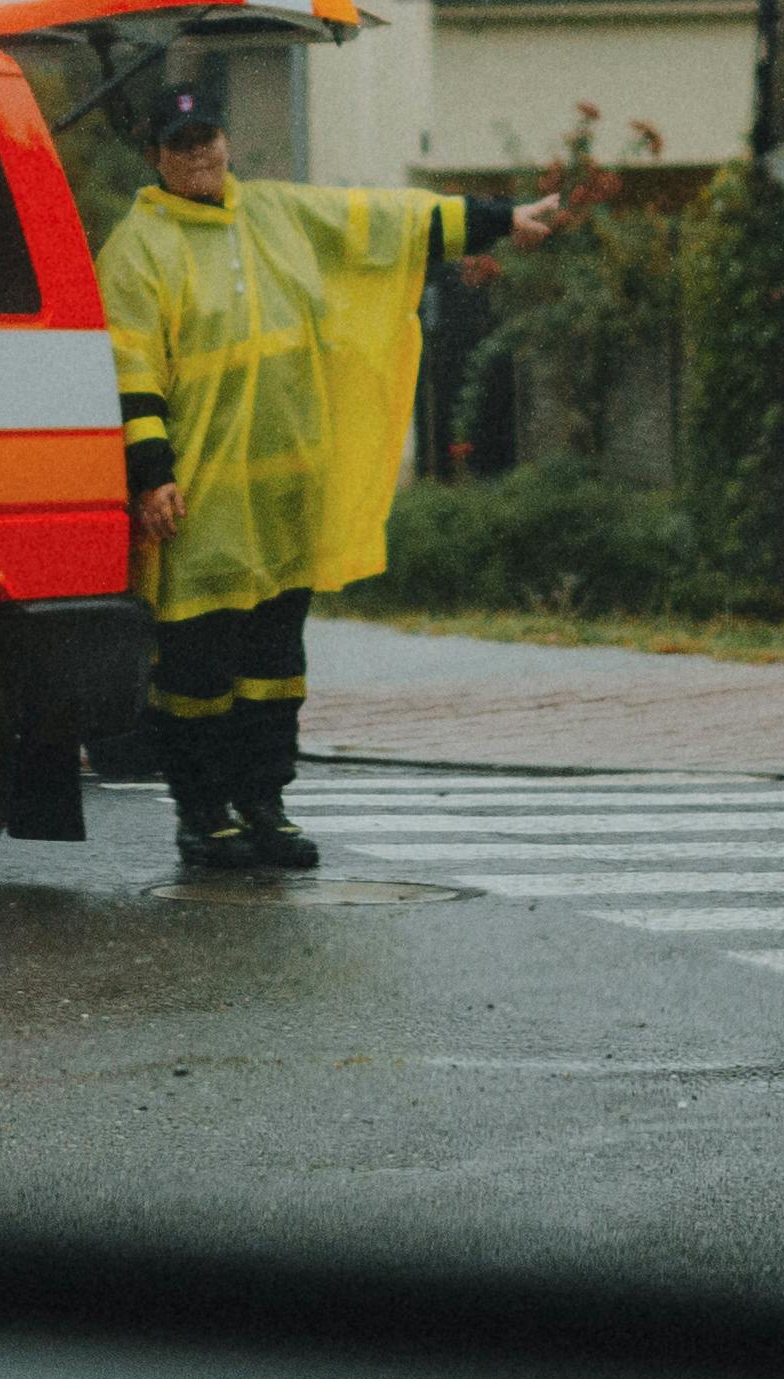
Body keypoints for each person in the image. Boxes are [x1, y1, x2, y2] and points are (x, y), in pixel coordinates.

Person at [99, 83, 569, 875]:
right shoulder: (138, 250)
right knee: (195, 673)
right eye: (183, 143)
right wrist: (151, 475)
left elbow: (382, 223)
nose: (202, 152)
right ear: (156, 158)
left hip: (285, 502)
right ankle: (204, 813)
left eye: (209, 135)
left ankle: (265, 805)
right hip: (201, 510)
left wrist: (496, 220)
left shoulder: (279, 214)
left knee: (274, 667)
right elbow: (131, 370)